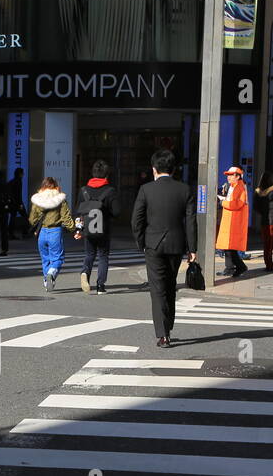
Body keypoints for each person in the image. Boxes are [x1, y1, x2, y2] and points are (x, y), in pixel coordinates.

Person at [131, 149, 196, 348]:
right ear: (173, 169)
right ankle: (168, 324)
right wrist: (192, 248)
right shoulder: (184, 189)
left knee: (157, 288)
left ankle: (163, 334)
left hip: (153, 245)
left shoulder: (146, 190)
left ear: (154, 169)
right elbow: (191, 221)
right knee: (170, 286)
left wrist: (141, 242)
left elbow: (136, 220)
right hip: (176, 244)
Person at [75, 159, 120, 294]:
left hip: (88, 229)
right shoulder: (110, 191)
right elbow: (117, 211)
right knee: (103, 256)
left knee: (89, 254)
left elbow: (78, 211)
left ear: (93, 173)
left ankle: (85, 272)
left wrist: (78, 229)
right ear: (107, 175)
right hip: (104, 229)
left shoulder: (83, 190)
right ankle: (100, 286)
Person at [27, 176, 75, 291]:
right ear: (56, 186)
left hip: (42, 232)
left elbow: (32, 219)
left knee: (45, 259)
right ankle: (52, 273)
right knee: (58, 258)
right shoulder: (60, 199)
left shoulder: (38, 200)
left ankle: (46, 281)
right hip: (55, 231)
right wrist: (73, 229)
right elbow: (66, 217)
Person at [216, 166, 249, 278]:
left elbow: (237, 204)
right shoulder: (234, 186)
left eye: (231, 175)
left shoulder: (239, 187)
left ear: (237, 176)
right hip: (230, 221)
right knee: (229, 248)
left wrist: (222, 202)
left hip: (233, 222)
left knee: (230, 248)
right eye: (228, 175)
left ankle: (239, 267)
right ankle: (237, 267)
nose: (228, 177)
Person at [4, 167, 25, 250]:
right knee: (24, 216)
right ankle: (24, 232)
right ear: (20, 174)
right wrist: (20, 204)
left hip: (12, 202)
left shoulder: (12, 181)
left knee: (13, 216)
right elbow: (18, 194)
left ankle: (10, 233)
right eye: (22, 173)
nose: (23, 175)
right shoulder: (18, 181)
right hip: (16, 202)